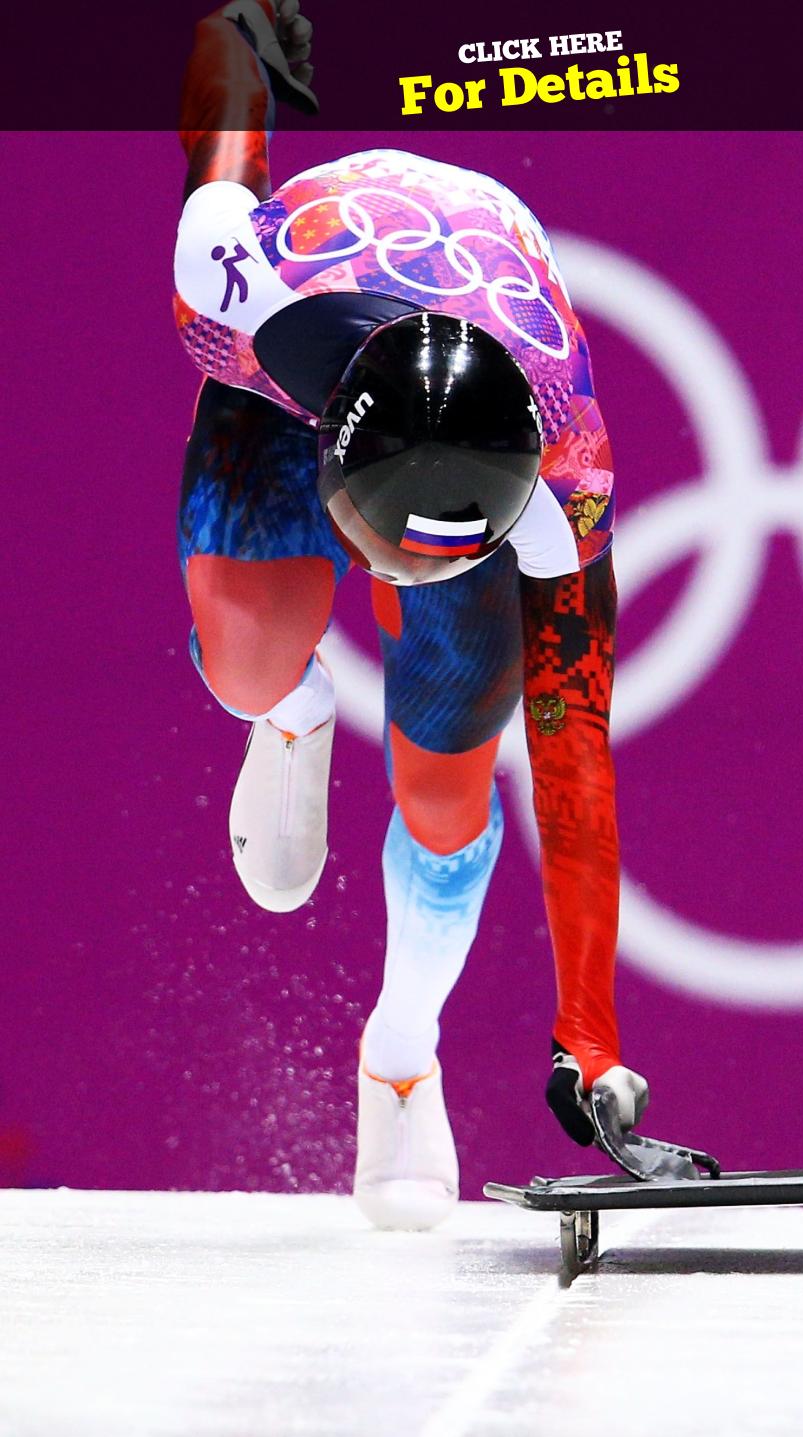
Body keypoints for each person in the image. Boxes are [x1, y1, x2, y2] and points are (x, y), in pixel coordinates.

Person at [174, 0, 649, 1228]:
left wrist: (587, 1033)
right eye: (389, 563)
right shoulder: (232, 283)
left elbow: (574, 767)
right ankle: (289, 710)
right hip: (316, 340)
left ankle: (401, 1052)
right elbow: (226, 139)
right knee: (242, 659)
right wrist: (239, 35)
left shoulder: (571, 481)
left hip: (462, 376)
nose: (398, 592)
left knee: (450, 796)